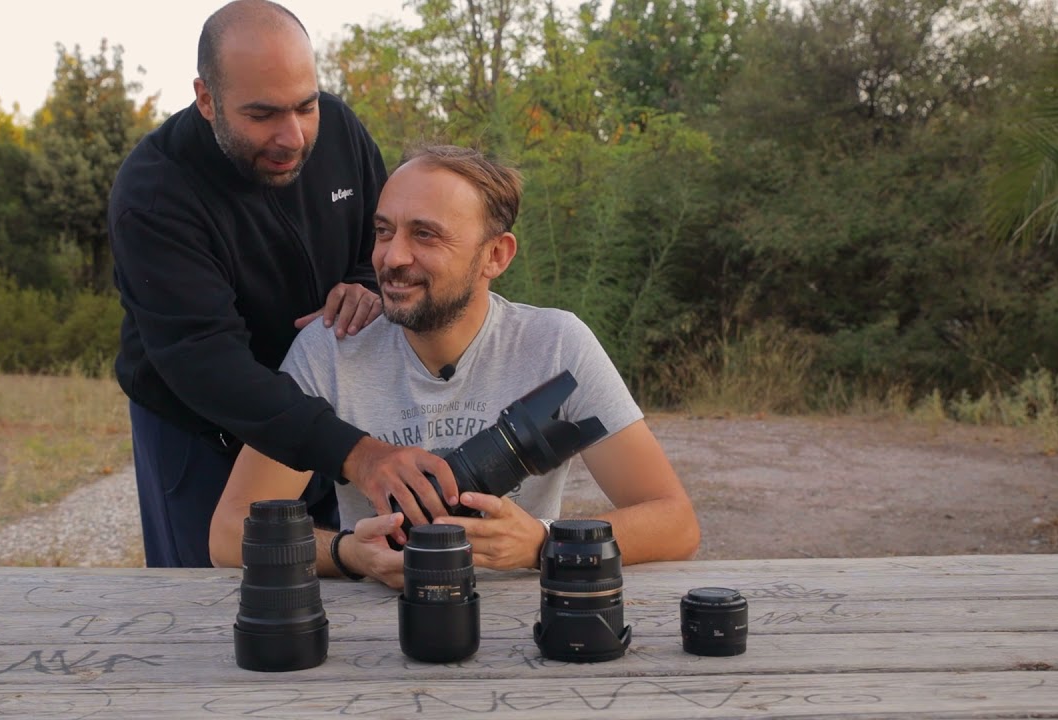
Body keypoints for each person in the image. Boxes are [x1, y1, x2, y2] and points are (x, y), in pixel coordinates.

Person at [210, 145, 700, 587]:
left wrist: (542, 542)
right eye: (383, 231)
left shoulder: (555, 345)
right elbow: (229, 536)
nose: (392, 257)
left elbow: (675, 523)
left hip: (523, 629)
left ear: (495, 255)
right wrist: (349, 554)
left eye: (425, 235)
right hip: (373, 634)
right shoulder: (332, 349)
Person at [107, 0, 457, 569]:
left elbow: (380, 238)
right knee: (209, 594)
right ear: (206, 99)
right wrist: (359, 455)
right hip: (205, 424)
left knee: (342, 575)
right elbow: (204, 360)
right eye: (262, 114)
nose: (292, 137)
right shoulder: (154, 194)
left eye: (305, 106)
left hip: (327, 411)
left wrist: (362, 282)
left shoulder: (338, 129)